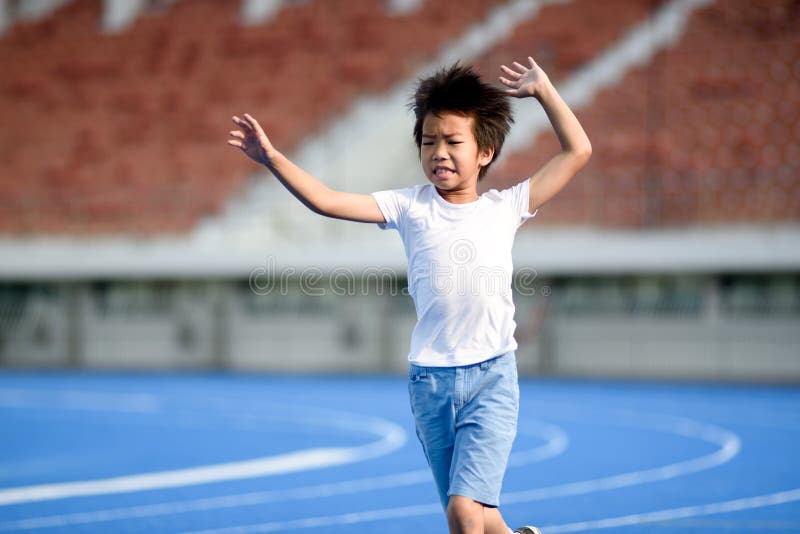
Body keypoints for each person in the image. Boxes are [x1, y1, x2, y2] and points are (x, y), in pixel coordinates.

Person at [228, 56, 591, 534]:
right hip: (431, 384)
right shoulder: (408, 206)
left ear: (485, 152)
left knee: (463, 511)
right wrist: (272, 159)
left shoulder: (508, 207)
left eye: (453, 141)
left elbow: (577, 151)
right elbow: (326, 200)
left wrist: (545, 92)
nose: (439, 151)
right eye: (428, 141)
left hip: (491, 378)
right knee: (483, 515)